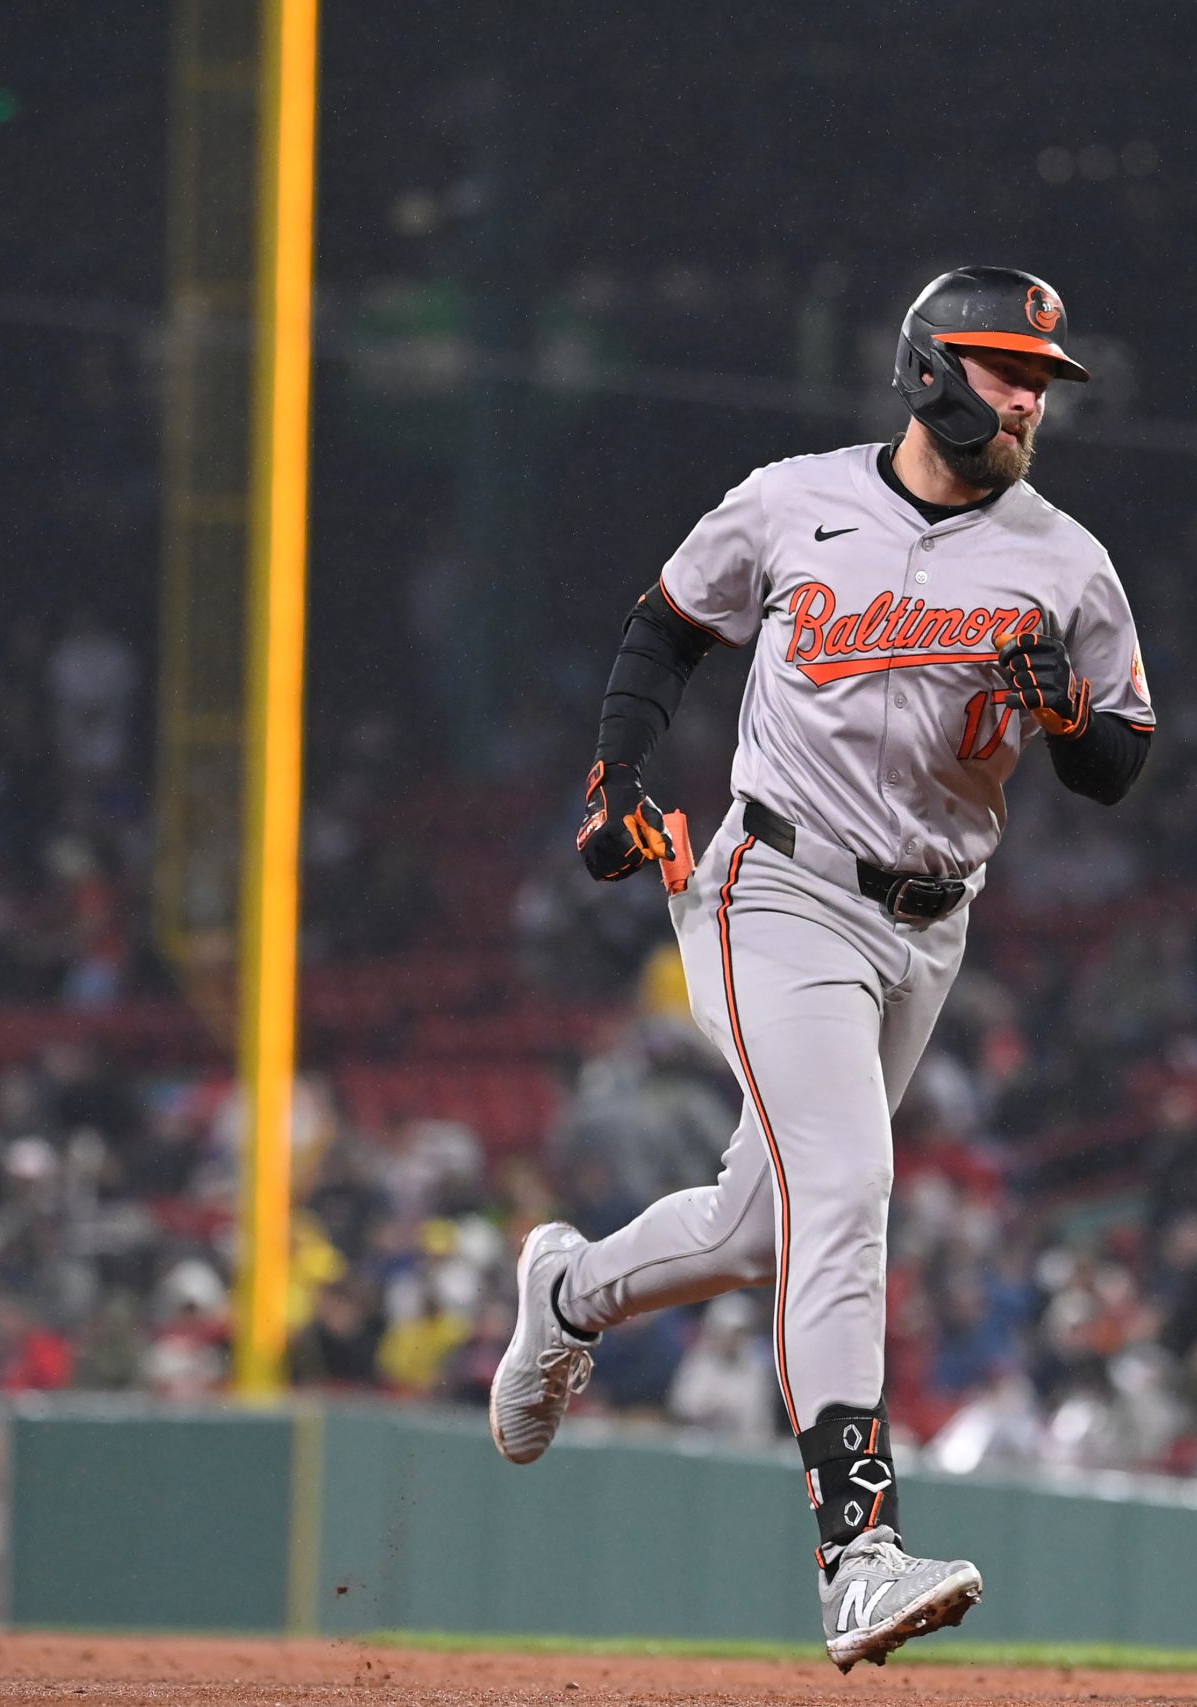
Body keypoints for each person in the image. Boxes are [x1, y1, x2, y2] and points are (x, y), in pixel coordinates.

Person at [487, 266, 1153, 1670]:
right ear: (929, 369)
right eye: (1005, 371)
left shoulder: (1066, 560)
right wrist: (617, 777)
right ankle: (859, 1550)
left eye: (1040, 381)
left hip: (929, 925)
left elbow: (1116, 764)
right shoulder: (793, 501)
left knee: (760, 1231)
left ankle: (569, 1293)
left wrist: (1070, 717)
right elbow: (668, 625)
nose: (1027, 402)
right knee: (845, 1187)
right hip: (774, 885)